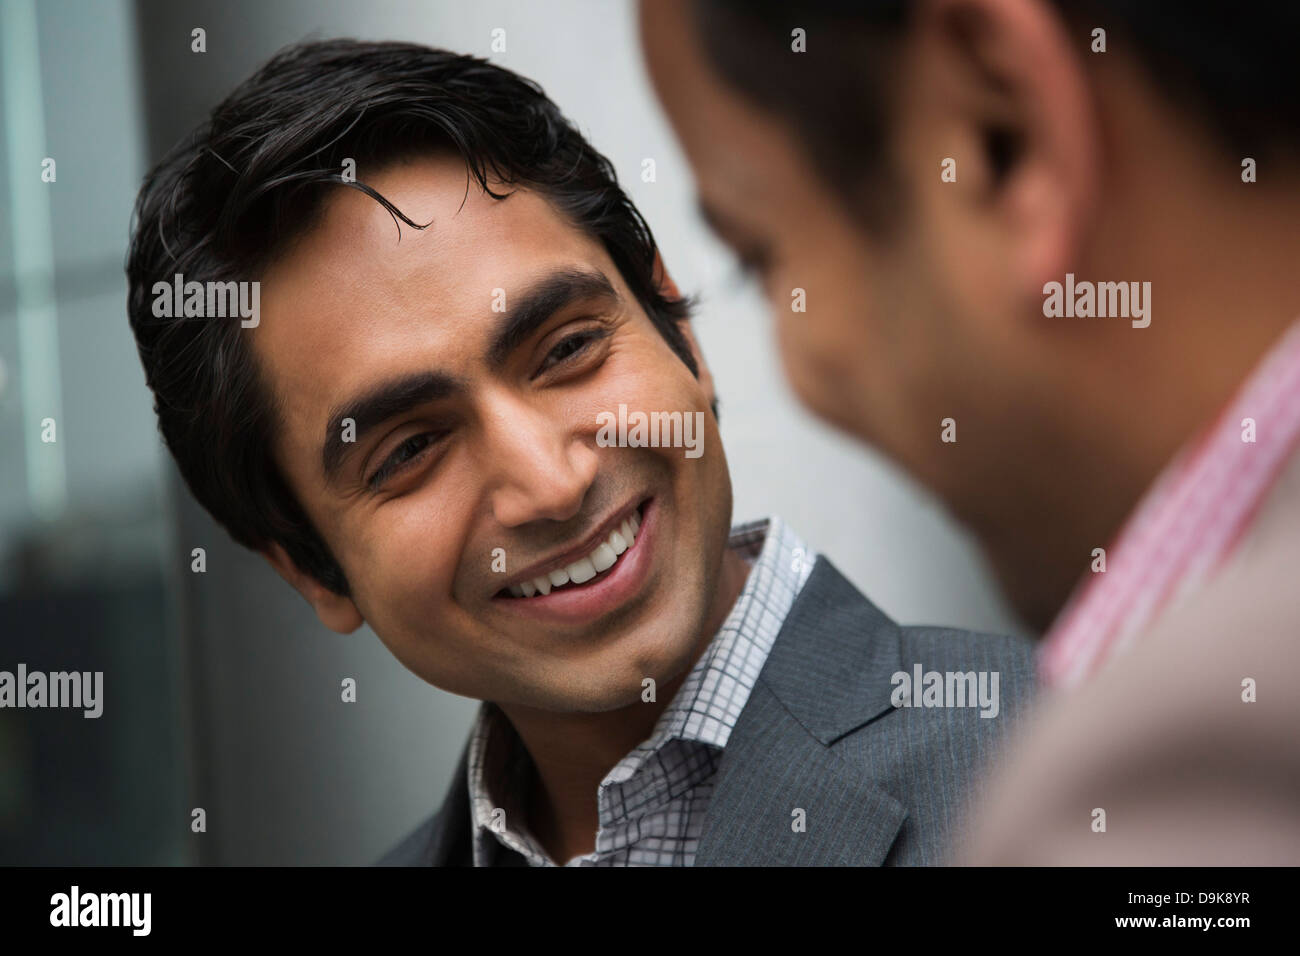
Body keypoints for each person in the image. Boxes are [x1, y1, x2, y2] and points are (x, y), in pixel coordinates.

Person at [125, 39, 1034, 866]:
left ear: (676, 324)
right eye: (408, 451)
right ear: (309, 571)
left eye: (567, 350)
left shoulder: (1070, 764)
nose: (553, 484)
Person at [640, 0, 1300, 862]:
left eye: (760, 257)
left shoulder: (1181, 773)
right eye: (410, 447)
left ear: (999, 132)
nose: (547, 481)